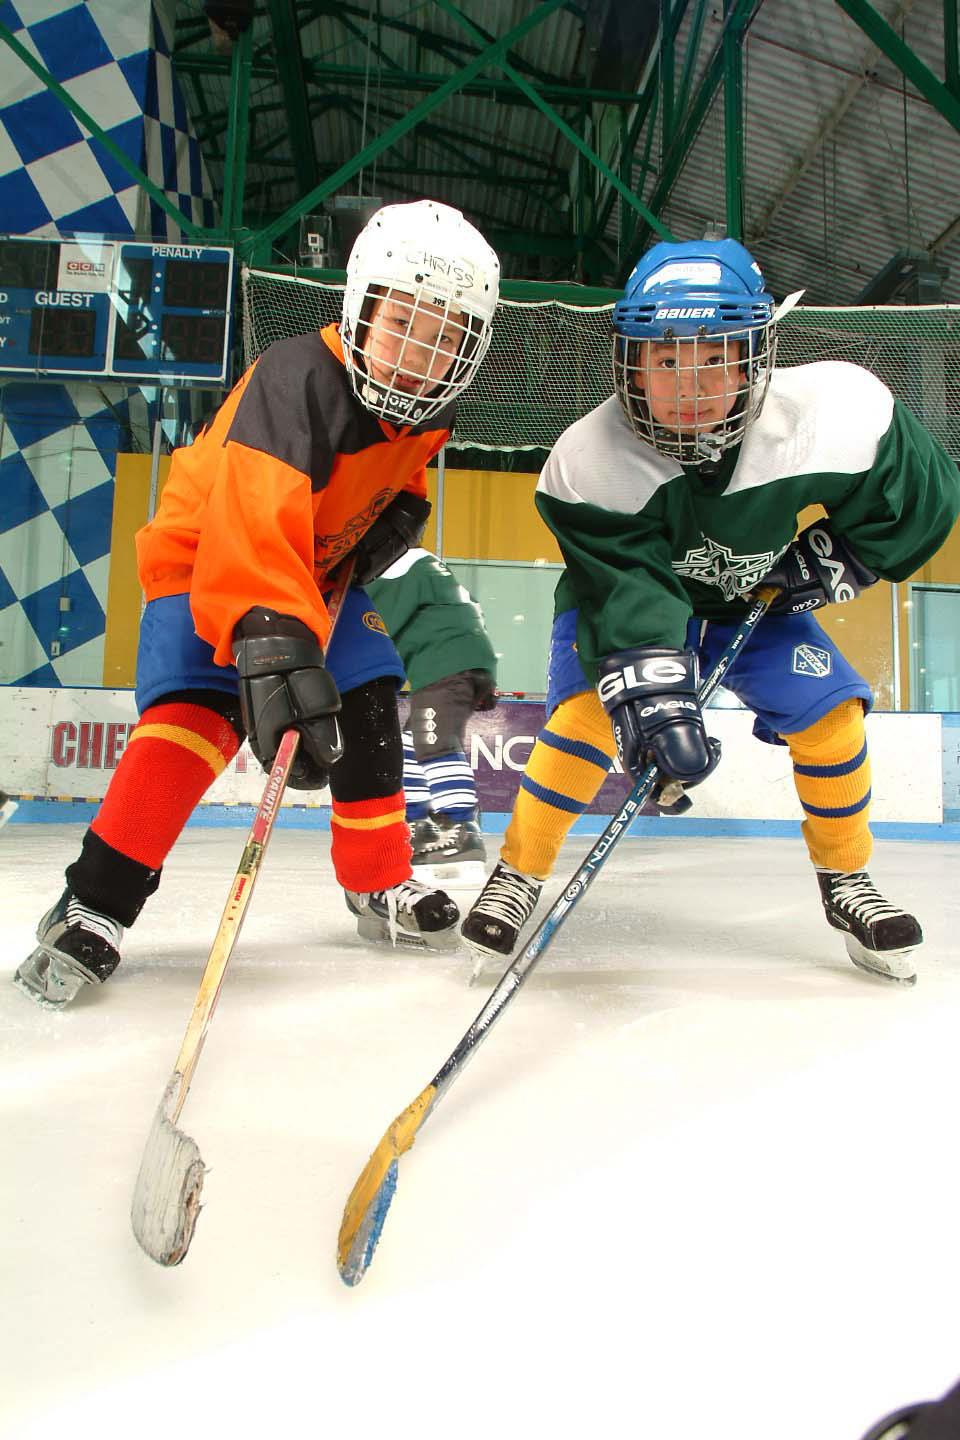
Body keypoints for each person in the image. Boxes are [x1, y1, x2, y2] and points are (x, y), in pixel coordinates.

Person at [14, 199, 500, 1009]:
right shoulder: (295, 376)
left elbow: (388, 483)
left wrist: (397, 518)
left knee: (372, 694)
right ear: (362, 308)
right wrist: (273, 644)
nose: (421, 354)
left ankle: (377, 884)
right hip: (205, 560)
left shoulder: (430, 415)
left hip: (312, 578)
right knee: (194, 722)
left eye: (447, 336)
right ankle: (94, 903)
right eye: (405, 325)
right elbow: (252, 523)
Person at [461, 237, 960, 985]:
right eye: (666, 361)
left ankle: (847, 878)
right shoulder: (590, 456)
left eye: (715, 356)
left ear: (757, 358)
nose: (689, 384)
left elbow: (919, 496)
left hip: (748, 601)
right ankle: (520, 872)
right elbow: (629, 586)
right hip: (627, 601)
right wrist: (655, 694)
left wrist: (843, 559)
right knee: (586, 722)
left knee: (833, 720)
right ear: (631, 362)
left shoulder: (835, 412)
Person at [365, 547, 498, 880]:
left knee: (433, 743)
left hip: (445, 665)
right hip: (461, 663)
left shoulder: (396, 565)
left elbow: (377, 625)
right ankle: (417, 825)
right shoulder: (430, 566)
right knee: (410, 742)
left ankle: (462, 829)